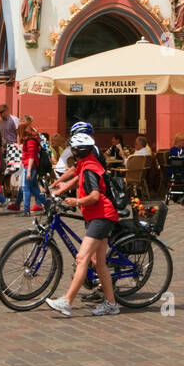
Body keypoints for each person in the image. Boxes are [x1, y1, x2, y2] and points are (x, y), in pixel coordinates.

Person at [46, 132, 121, 317]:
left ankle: (67, 301)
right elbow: (75, 176)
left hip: (101, 216)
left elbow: (94, 196)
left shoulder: (89, 169)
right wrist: (61, 187)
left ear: (77, 151)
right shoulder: (87, 163)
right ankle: (111, 304)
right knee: (99, 262)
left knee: (82, 258)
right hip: (100, 215)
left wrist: (76, 202)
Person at [17, 115, 45, 216]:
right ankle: (47, 204)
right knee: (34, 188)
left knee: (26, 188)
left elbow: (31, 157)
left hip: (29, 168)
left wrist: (28, 171)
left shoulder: (30, 141)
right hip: (31, 167)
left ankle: (26, 210)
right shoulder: (32, 140)